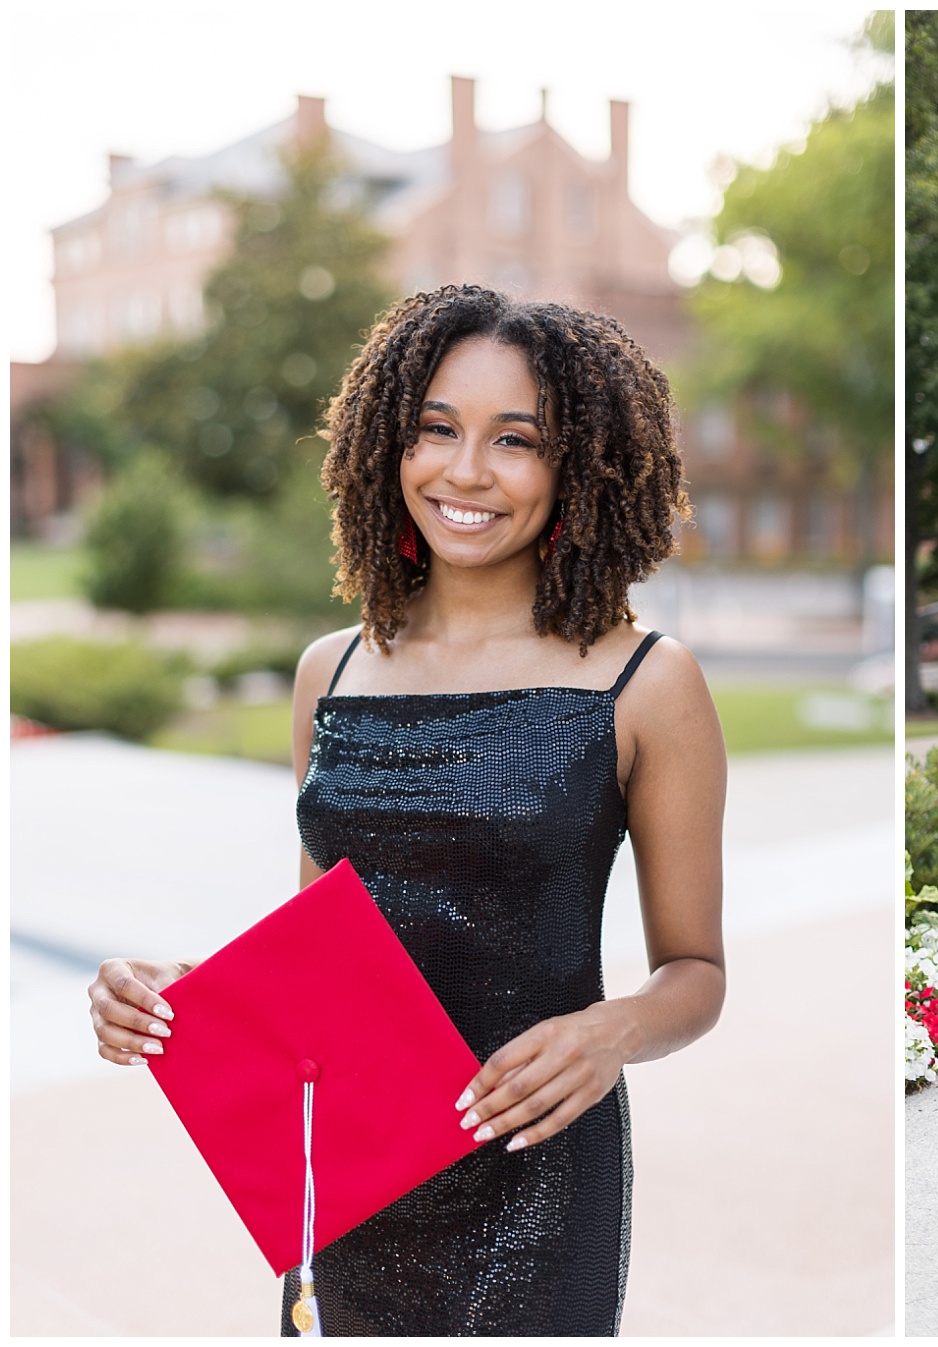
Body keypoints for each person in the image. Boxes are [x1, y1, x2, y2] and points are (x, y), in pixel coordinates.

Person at [86, 285, 728, 1331]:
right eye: (435, 428)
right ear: (389, 443)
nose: (464, 470)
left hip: (539, 1170)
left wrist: (612, 1031)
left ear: (578, 465)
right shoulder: (330, 673)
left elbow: (696, 973)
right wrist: (176, 999)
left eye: (516, 439)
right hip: (353, 1171)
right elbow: (320, 969)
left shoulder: (646, 683)